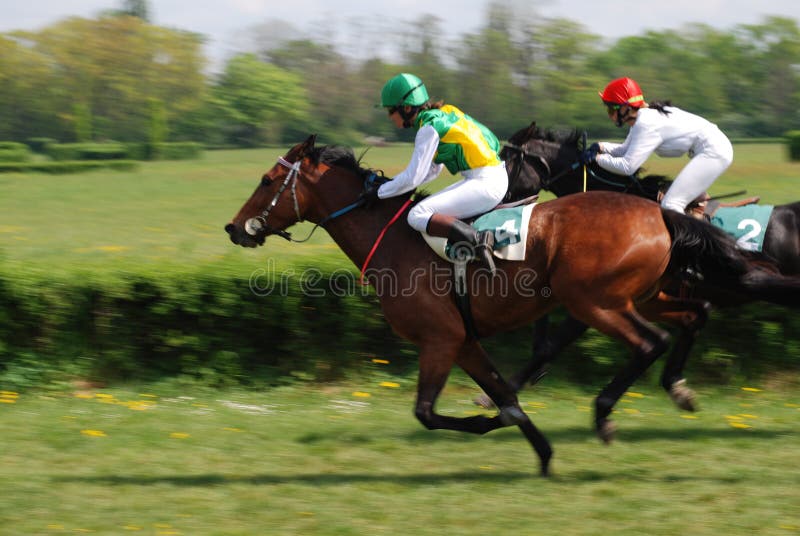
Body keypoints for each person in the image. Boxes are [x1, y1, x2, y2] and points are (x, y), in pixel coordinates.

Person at [367, 73, 508, 275]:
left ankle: (478, 240)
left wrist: (379, 192)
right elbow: (431, 171)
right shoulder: (445, 113)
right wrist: (392, 186)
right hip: (490, 176)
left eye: (391, 111)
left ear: (407, 108)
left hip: (485, 183)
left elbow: (413, 178)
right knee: (429, 208)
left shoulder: (428, 128)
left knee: (416, 215)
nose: (390, 117)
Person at [587, 76, 733, 214]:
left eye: (611, 109)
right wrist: (599, 146)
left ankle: (692, 240)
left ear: (627, 108)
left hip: (713, 151)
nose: (609, 115)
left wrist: (596, 159)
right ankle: (705, 217)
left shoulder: (646, 122)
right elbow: (624, 149)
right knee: (680, 198)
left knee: (671, 204)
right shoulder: (643, 118)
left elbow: (627, 167)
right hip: (712, 148)